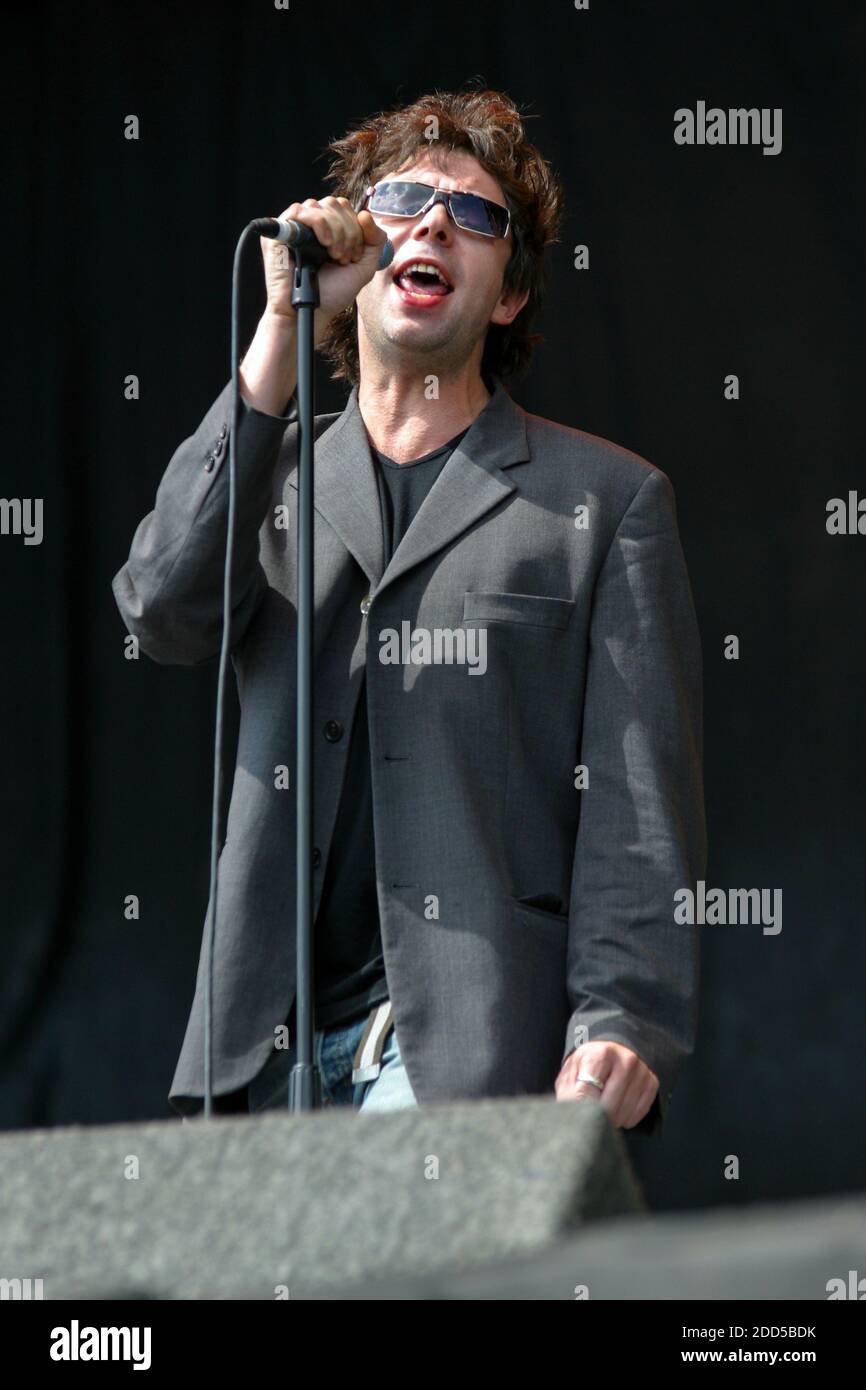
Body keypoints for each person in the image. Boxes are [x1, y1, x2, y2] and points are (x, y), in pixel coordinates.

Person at [112, 88, 706, 1135]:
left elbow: (634, 804)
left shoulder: (603, 502)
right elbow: (164, 610)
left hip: (463, 1049)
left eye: (473, 215)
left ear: (511, 295)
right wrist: (274, 347)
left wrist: (620, 1018)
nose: (431, 222)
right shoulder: (272, 472)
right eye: (400, 199)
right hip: (261, 1048)